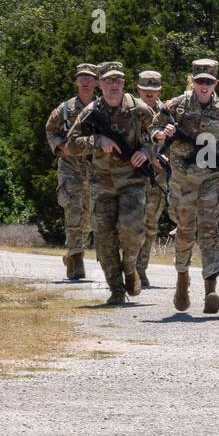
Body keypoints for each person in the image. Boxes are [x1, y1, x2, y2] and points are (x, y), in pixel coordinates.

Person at [151, 58, 219, 314]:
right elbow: (154, 131)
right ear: (192, 81)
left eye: (209, 82)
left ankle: (210, 289)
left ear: (216, 83)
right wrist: (163, 134)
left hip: (212, 178)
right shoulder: (176, 105)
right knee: (185, 230)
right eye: (200, 81)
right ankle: (182, 279)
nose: (204, 86)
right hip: (182, 179)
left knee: (209, 229)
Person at [65, 61, 156, 305]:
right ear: (99, 84)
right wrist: (96, 141)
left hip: (132, 182)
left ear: (124, 83)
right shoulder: (90, 112)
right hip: (102, 185)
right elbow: (71, 144)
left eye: (117, 80)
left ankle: (130, 269)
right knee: (104, 239)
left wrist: (146, 152)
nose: (113, 85)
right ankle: (116, 291)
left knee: (131, 230)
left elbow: (160, 137)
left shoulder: (139, 109)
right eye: (107, 81)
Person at [44, 63, 97, 280]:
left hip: (95, 169)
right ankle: (77, 260)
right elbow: (50, 130)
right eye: (81, 78)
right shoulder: (65, 109)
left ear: (96, 83)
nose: (85, 82)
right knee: (72, 211)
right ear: (76, 82)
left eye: (89, 78)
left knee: (90, 217)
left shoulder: (103, 108)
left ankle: (73, 253)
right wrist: (60, 146)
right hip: (70, 167)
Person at [134, 70, 167, 289]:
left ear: (160, 90)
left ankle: (140, 270)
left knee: (150, 225)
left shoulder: (168, 113)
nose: (149, 94)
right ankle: (126, 268)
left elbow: (180, 142)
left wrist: (167, 157)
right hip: (132, 177)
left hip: (158, 179)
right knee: (130, 225)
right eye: (145, 90)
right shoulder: (129, 110)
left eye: (153, 90)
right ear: (138, 89)